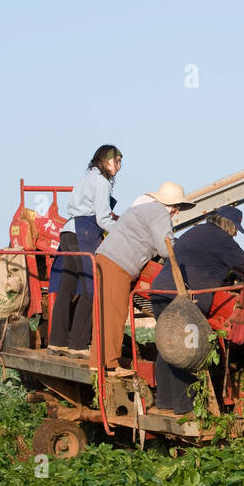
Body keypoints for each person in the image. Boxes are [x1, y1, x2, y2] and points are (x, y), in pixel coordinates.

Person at [149, 205, 244, 414]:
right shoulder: (220, 238)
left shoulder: (196, 231)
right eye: (235, 228)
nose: (235, 233)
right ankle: (185, 409)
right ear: (227, 224)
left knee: (169, 345)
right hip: (182, 298)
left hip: (161, 292)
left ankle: (164, 403)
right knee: (188, 349)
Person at [93, 181, 194, 370]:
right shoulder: (160, 213)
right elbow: (166, 248)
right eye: (177, 207)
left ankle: (97, 362)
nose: (177, 212)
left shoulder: (145, 208)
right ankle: (110, 364)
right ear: (171, 205)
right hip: (118, 264)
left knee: (104, 313)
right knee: (115, 313)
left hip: (106, 259)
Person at [48, 145, 121, 357]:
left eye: (119, 161)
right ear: (103, 160)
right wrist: (124, 230)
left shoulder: (88, 176)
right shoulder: (102, 182)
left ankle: (57, 342)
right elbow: (103, 219)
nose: (117, 165)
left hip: (68, 231)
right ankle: (79, 345)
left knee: (67, 289)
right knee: (92, 288)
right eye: (114, 161)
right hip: (84, 232)